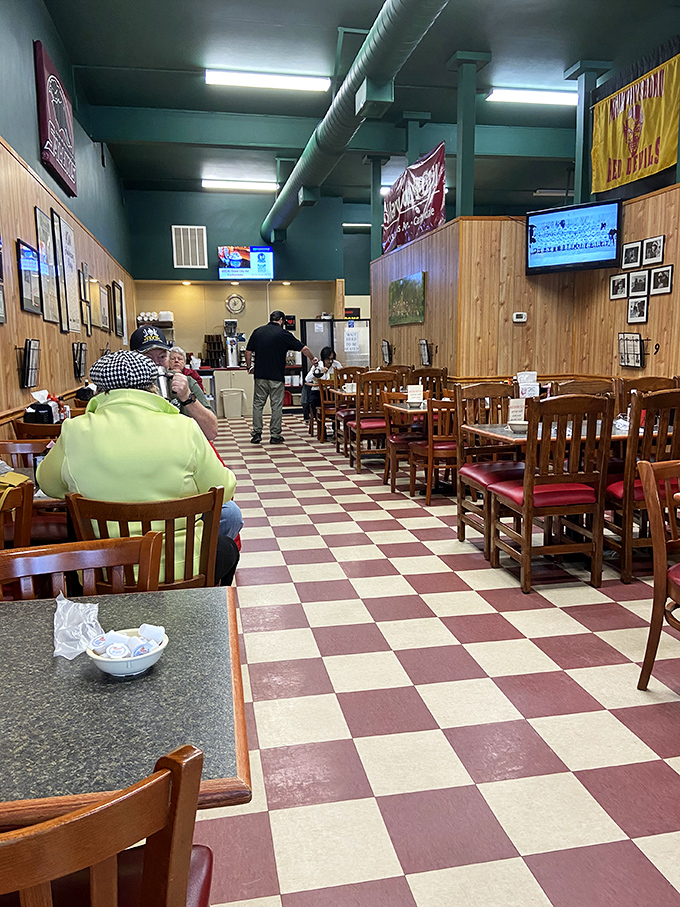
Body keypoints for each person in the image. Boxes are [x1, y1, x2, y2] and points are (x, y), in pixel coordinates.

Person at [36, 350, 239, 585]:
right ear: (153, 386)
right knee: (226, 549)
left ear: (100, 390)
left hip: (105, 570)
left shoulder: (74, 430)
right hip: (183, 568)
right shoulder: (184, 428)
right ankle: (201, 615)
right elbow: (224, 488)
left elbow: (48, 484)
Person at [130, 325, 218, 442]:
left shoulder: (186, 382)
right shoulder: (127, 388)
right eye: (148, 358)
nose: (156, 364)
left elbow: (211, 431)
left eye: (162, 357)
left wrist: (187, 397)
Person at [245, 310, 317, 444]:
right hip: (277, 377)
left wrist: (249, 367)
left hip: (260, 376)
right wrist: (313, 359)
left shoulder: (258, 332)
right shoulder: (284, 334)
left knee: (257, 405)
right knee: (276, 406)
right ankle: (275, 435)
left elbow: (248, 352)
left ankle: (256, 433)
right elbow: (304, 348)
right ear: (282, 320)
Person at [304, 346, 342, 414]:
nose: (330, 361)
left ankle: (335, 423)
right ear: (323, 359)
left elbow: (343, 377)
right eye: (328, 359)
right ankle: (320, 422)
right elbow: (307, 379)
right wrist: (319, 371)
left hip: (332, 391)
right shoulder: (317, 365)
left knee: (340, 401)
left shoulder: (336, 364)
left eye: (332, 359)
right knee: (313, 400)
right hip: (318, 391)